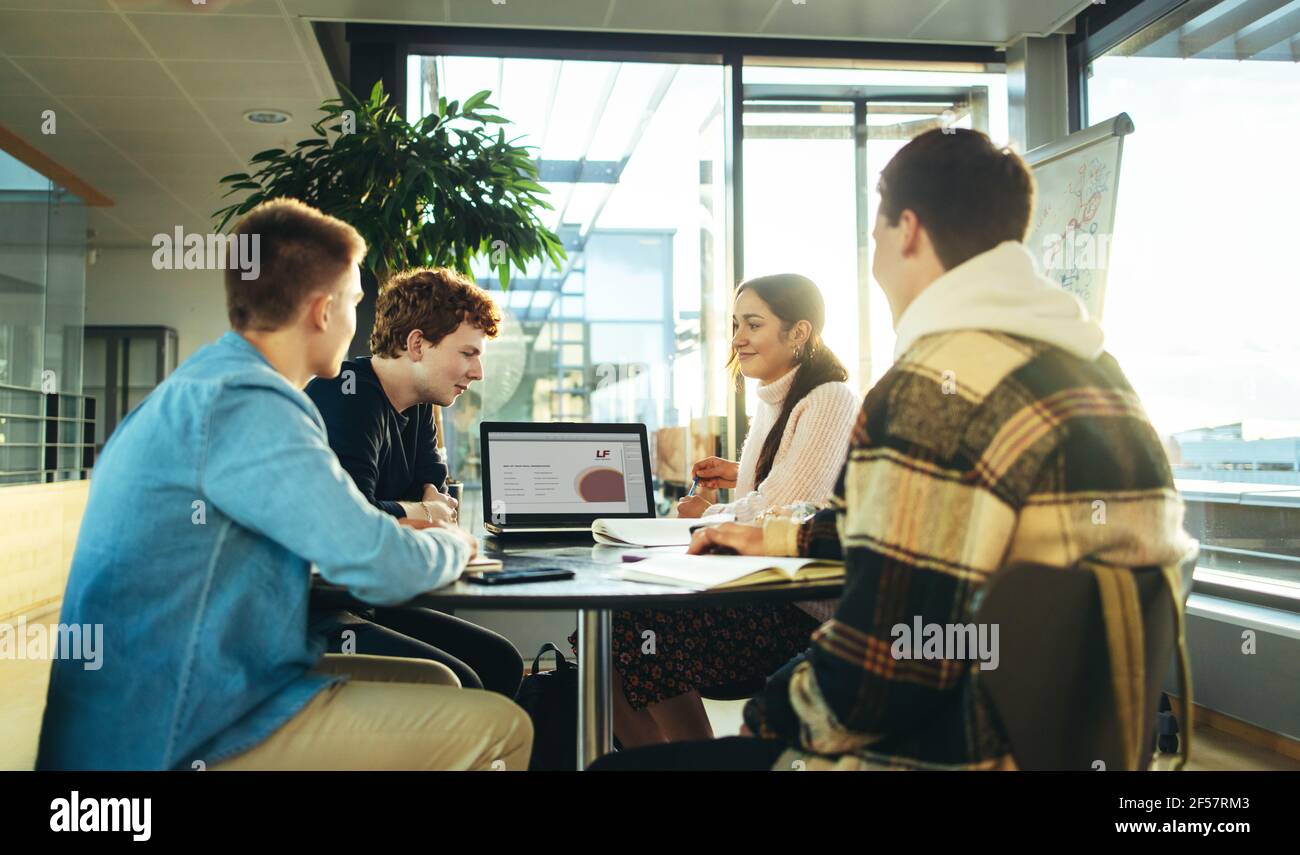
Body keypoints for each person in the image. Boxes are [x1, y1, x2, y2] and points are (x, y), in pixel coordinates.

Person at [590, 128, 1196, 771]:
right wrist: (781, 538)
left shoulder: (936, 387)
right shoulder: (1099, 374)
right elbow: (930, 537)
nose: (871, 248)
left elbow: (886, 664)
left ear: (906, 229)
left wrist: (766, 726)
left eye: (874, 228)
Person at [36, 198, 531, 770]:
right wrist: (454, 543)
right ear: (322, 311)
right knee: (504, 729)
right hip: (176, 730)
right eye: (353, 304)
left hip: (201, 689)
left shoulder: (216, 383)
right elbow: (375, 559)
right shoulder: (249, 403)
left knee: (442, 684)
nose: (360, 324)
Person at [578, 274, 860, 748]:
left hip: (801, 602)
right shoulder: (776, 401)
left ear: (799, 333)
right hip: (760, 583)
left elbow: (784, 512)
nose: (738, 339)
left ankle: (696, 762)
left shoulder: (829, 399)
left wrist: (700, 520)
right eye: (735, 324)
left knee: (634, 625)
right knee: (601, 636)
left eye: (753, 324)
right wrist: (728, 490)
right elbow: (769, 494)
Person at [305, 267, 524, 698]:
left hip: (361, 602)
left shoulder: (420, 402)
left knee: (500, 659)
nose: (478, 371)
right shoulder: (346, 396)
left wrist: (421, 507)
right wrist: (422, 511)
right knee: (464, 680)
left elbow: (433, 483)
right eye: (467, 353)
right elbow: (356, 519)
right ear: (417, 344)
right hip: (307, 615)